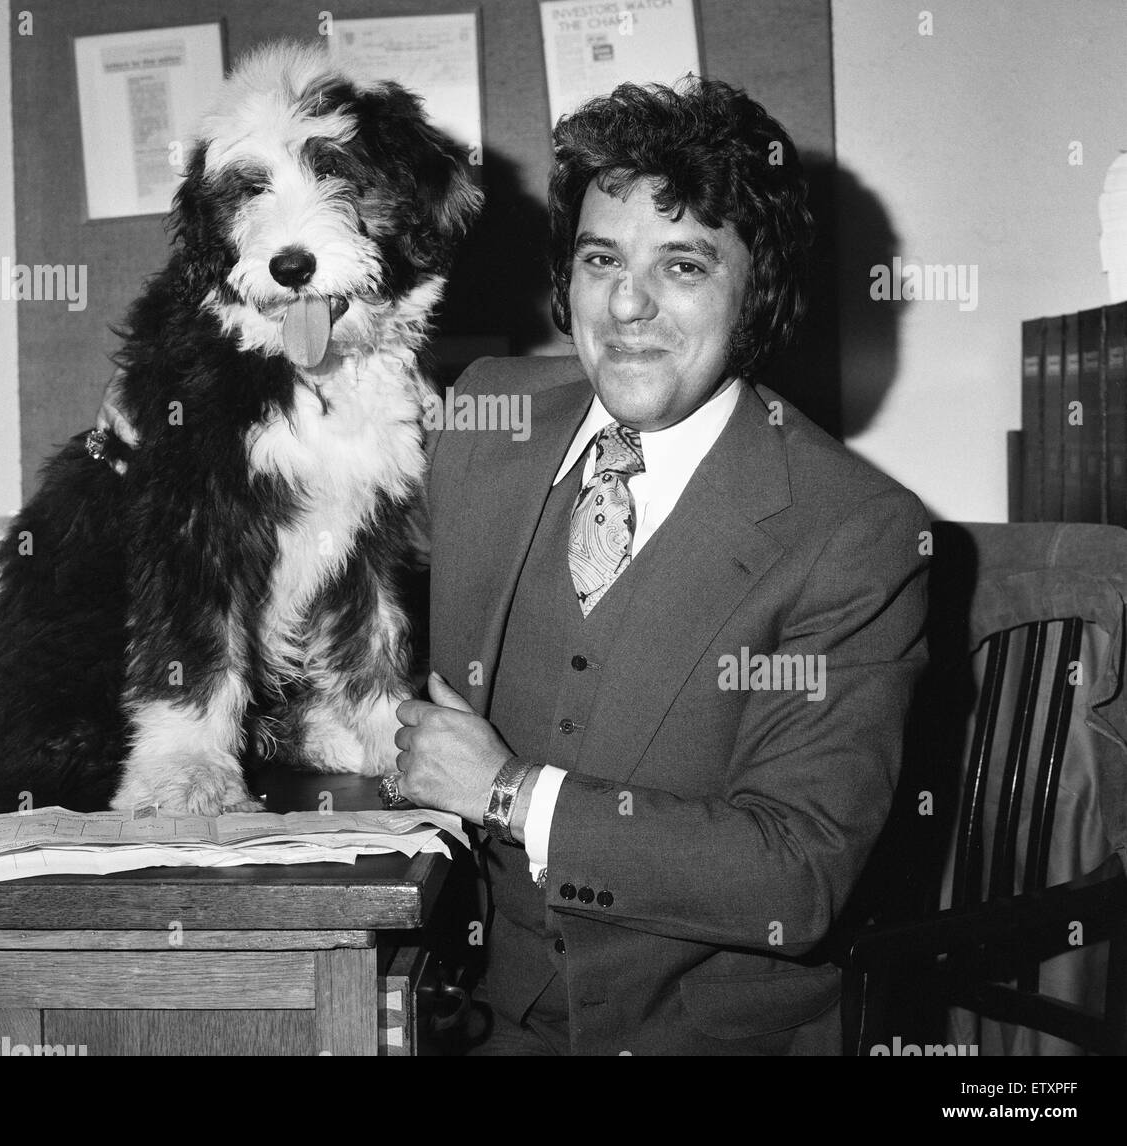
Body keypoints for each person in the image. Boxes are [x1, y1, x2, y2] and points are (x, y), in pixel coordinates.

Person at [392, 76, 929, 1055]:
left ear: (754, 288)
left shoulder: (854, 533)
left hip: (694, 1037)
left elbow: (796, 873)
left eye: (682, 264)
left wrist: (510, 789)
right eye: (601, 258)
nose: (627, 302)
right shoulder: (484, 415)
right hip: (457, 1011)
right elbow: (324, 544)